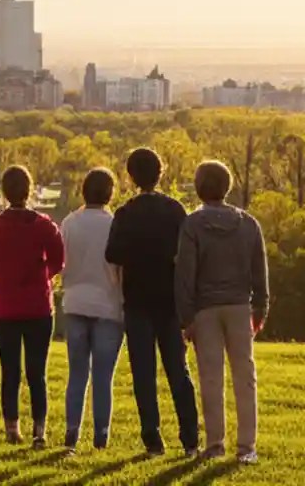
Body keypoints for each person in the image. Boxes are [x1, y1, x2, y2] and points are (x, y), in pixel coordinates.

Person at [105, 147, 200, 457]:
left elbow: (112, 254)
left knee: (143, 372)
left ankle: (152, 438)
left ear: (131, 177)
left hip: (137, 299)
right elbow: (187, 253)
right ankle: (189, 438)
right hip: (169, 298)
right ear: (161, 173)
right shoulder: (175, 210)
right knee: (178, 369)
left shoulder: (126, 213)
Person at [176, 160, 269, 465]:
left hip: (205, 309)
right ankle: (247, 447)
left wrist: (185, 318)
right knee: (245, 377)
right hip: (240, 306)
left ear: (200, 187)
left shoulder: (192, 224)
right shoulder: (248, 223)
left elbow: (185, 275)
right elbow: (260, 271)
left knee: (211, 378)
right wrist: (261, 306)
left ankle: (215, 443)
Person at [0, 165, 65, 449]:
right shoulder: (44, 225)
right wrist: (42, 278)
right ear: (30, 191)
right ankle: (40, 431)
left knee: (9, 371)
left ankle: (11, 428)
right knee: (36, 372)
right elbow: (58, 261)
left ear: (3, 192)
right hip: (38, 306)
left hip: (4, 309)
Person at [59, 168, 124, 454]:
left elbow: (62, 262)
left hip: (75, 301)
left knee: (76, 373)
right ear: (110, 193)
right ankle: (101, 434)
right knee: (102, 376)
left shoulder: (70, 223)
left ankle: (72, 431)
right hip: (108, 304)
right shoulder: (115, 224)